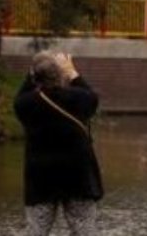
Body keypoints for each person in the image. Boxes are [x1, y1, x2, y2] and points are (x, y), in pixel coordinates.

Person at [13, 50, 103, 236]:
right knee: (84, 228)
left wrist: (34, 71)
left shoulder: (26, 104)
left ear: (34, 75)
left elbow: (20, 95)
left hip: (41, 178)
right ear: (61, 74)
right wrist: (72, 71)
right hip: (77, 177)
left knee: (37, 229)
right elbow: (92, 96)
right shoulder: (79, 98)